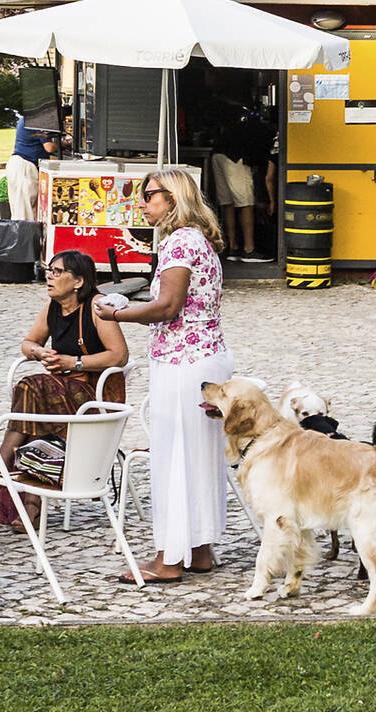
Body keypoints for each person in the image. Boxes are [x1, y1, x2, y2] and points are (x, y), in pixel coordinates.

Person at [95, 168, 233, 583]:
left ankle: (167, 559)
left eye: (149, 195)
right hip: (208, 357)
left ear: (173, 197)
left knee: (174, 457)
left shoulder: (179, 242)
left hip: (182, 362)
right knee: (201, 457)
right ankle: (200, 548)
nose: (142, 202)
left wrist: (117, 313)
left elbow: (168, 306)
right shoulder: (200, 241)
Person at [0, 249, 130, 528]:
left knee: (31, 387)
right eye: (49, 271)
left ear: (78, 281)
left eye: (57, 272)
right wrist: (40, 353)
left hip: (92, 394)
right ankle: (31, 505)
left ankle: (1, 463)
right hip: (60, 390)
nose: (49, 277)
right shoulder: (53, 307)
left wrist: (74, 362)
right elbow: (28, 341)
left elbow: (119, 355)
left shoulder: (96, 306)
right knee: (35, 401)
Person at [212, 113, 275, 262]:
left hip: (218, 154)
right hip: (236, 157)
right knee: (246, 203)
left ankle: (232, 246)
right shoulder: (269, 132)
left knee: (228, 204)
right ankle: (249, 249)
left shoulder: (244, 124)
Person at [5, 115, 60, 225]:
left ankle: (22, 239)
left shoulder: (25, 119)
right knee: (26, 211)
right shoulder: (37, 121)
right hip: (25, 167)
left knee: (20, 210)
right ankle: (26, 241)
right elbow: (49, 147)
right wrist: (60, 145)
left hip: (17, 164)